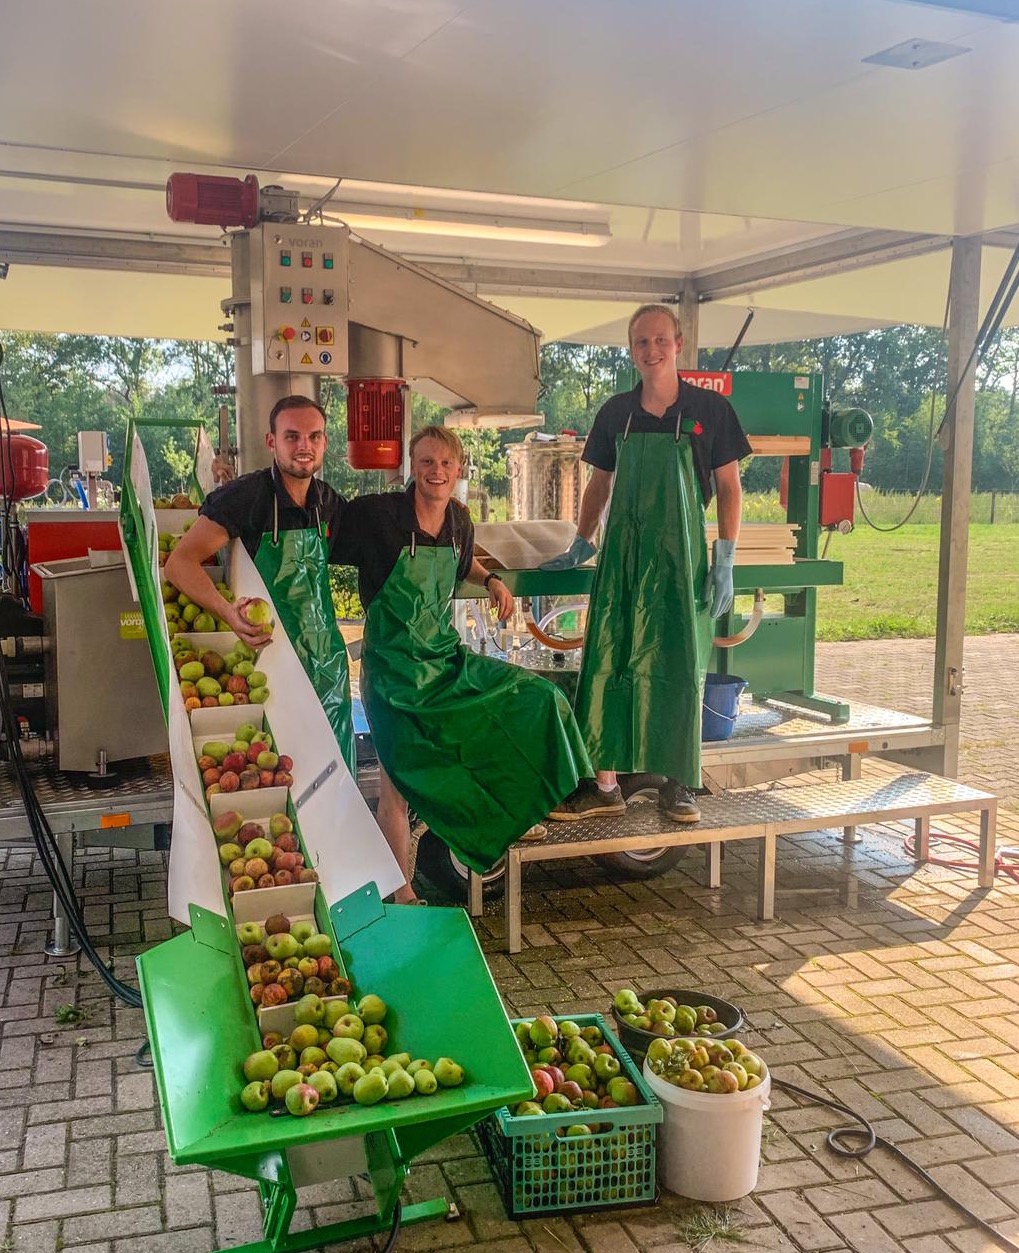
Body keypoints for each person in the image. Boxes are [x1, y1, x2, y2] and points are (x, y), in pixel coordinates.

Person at [332, 425, 592, 899]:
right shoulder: (377, 515)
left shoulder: (458, 519)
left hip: (445, 661)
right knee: (396, 789)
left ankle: (521, 812)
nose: (436, 472)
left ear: (459, 469)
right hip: (392, 677)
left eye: (445, 464)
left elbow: (463, 560)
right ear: (413, 466)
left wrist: (491, 579)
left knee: (539, 697)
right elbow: (321, 534)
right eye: (427, 462)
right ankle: (401, 894)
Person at [542, 304, 751, 825]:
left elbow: (729, 488)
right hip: (624, 559)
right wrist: (581, 541)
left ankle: (680, 785)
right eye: (641, 342)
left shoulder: (712, 410)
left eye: (660, 340)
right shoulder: (616, 412)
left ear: (678, 343)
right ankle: (605, 785)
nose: (651, 350)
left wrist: (725, 557)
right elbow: (599, 484)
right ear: (631, 349)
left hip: (684, 564)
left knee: (680, 664)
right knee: (610, 661)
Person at [164, 395, 356, 779]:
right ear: (272, 442)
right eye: (292, 436)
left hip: (326, 669)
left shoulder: (327, 501)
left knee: (335, 785)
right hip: (267, 664)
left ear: (325, 443)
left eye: (314, 436)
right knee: (276, 775)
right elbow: (179, 564)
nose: (304, 446)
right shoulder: (244, 498)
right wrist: (228, 613)